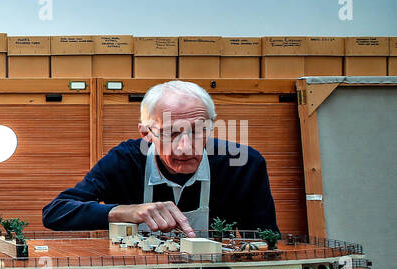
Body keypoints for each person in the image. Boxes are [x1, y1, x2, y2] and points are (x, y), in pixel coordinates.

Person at [42, 80, 278, 236]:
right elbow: (55, 212)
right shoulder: (125, 160)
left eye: (198, 131)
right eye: (170, 133)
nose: (185, 148)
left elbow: (265, 239)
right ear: (146, 133)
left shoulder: (242, 164)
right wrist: (126, 212)